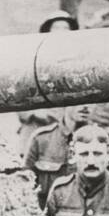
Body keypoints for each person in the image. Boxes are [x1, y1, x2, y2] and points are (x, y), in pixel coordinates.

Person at [24, 111, 109, 209]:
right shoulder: (41, 139)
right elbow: (24, 189)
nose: (85, 106)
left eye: (97, 154)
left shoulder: (108, 138)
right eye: (84, 154)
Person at [19, 12, 79, 152]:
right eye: (56, 27)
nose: (61, 32)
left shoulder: (76, 60)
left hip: (65, 124)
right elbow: (19, 92)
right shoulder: (33, 57)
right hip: (38, 123)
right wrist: (34, 113)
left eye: (66, 28)